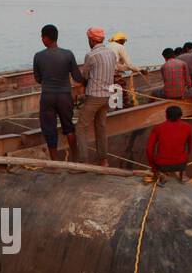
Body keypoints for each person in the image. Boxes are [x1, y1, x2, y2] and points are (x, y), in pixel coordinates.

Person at [32, 23, 84, 160]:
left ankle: (54, 164)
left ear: (46, 38)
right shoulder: (68, 54)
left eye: (42, 37)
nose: (42, 40)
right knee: (69, 127)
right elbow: (77, 77)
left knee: (50, 129)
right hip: (65, 97)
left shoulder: (38, 56)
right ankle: (76, 159)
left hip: (47, 96)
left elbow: (38, 79)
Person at [79, 27, 118, 166]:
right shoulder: (111, 53)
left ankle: (83, 162)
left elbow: (84, 76)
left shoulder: (91, 55)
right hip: (108, 95)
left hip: (95, 96)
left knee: (81, 127)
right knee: (101, 126)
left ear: (91, 39)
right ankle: (103, 160)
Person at [146, 105, 192, 180]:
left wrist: (154, 167)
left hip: (161, 165)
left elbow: (149, 149)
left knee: (161, 166)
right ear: (180, 116)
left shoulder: (157, 128)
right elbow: (190, 147)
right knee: (184, 155)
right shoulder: (188, 127)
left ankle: (161, 174)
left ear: (166, 116)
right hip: (181, 164)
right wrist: (184, 157)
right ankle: (182, 174)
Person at [107, 31, 142, 105]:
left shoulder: (108, 46)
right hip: (112, 73)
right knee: (122, 90)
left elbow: (117, 66)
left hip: (105, 72)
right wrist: (140, 70)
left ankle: (115, 105)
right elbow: (129, 64)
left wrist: (133, 69)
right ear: (120, 40)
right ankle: (122, 106)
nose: (124, 43)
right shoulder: (120, 47)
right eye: (124, 41)